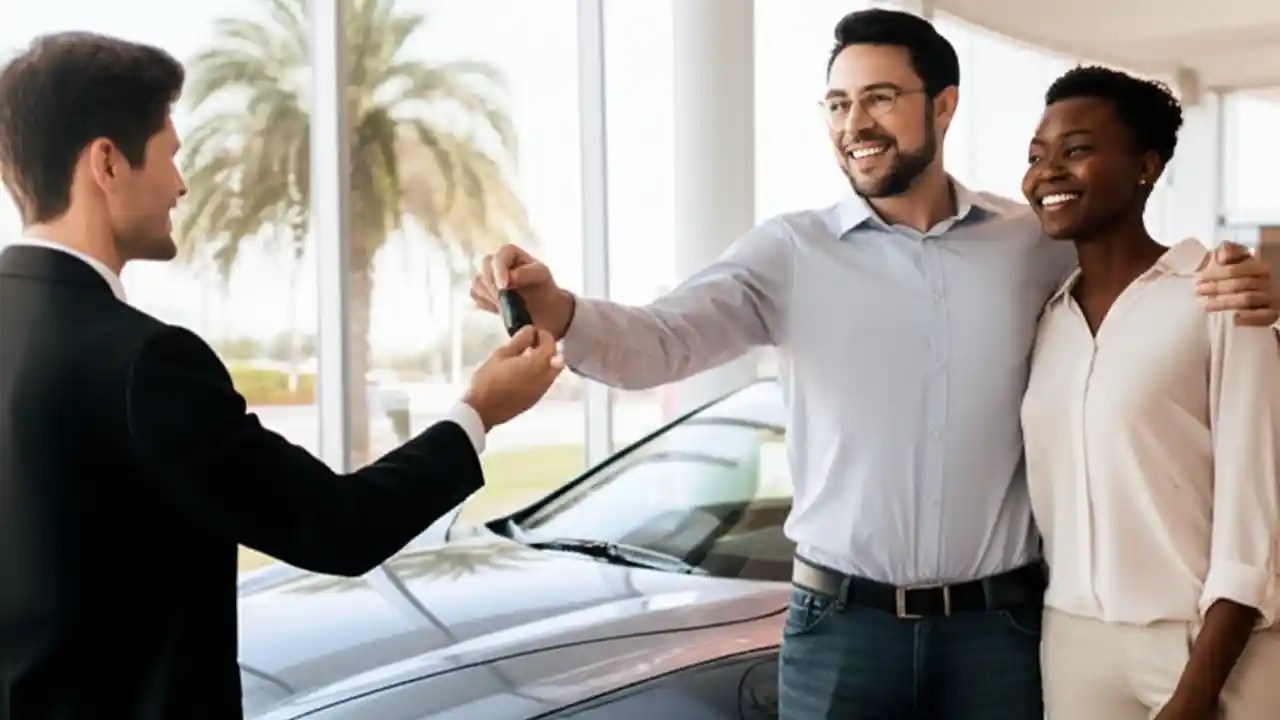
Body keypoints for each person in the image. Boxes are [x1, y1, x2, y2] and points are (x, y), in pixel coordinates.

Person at [470, 9, 1280, 720]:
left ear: (944, 105)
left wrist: (1251, 284)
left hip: (999, 636)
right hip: (839, 634)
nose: (855, 122)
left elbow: (1143, 288)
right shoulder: (789, 252)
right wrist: (562, 310)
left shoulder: (1030, 245)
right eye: (837, 102)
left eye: (880, 97)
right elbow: (661, 340)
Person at [0, 32, 564, 720]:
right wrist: (479, 410)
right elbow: (337, 526)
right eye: (173, 156)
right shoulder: (145, 364)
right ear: (107, 163)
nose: (181, 185)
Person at [1020, 66, 1280, 720]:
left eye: (1077, 150)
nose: (1048, 171)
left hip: (1214, 647)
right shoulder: (1046, 320)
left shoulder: (1216, 295)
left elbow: (1256, 514)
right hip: (1073, 641)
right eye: (1037, 155)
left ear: (1146, 166)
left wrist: (1195, 691)